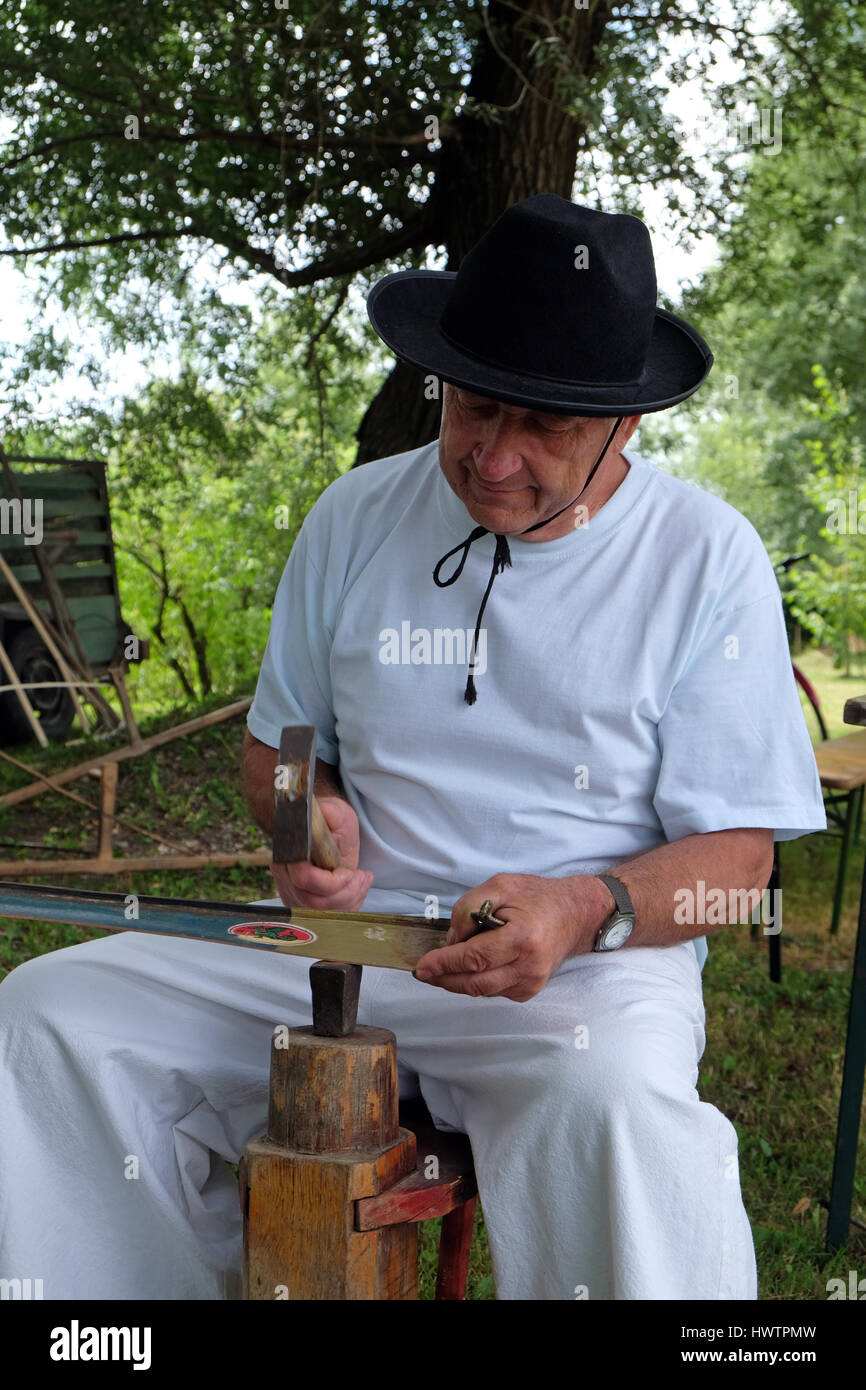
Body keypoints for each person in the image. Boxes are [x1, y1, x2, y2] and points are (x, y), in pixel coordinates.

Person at [0, 195, 825, 1302]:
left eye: (545, 428)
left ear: (623, 425)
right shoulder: (355, 515)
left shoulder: (706, 558)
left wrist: (581, 907)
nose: (493, 456)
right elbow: (284, 746)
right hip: (341, 948)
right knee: (49, 1018)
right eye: (474, 406)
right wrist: (303, 817)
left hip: (580, 978)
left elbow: (738, 862)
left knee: (623, 1116)